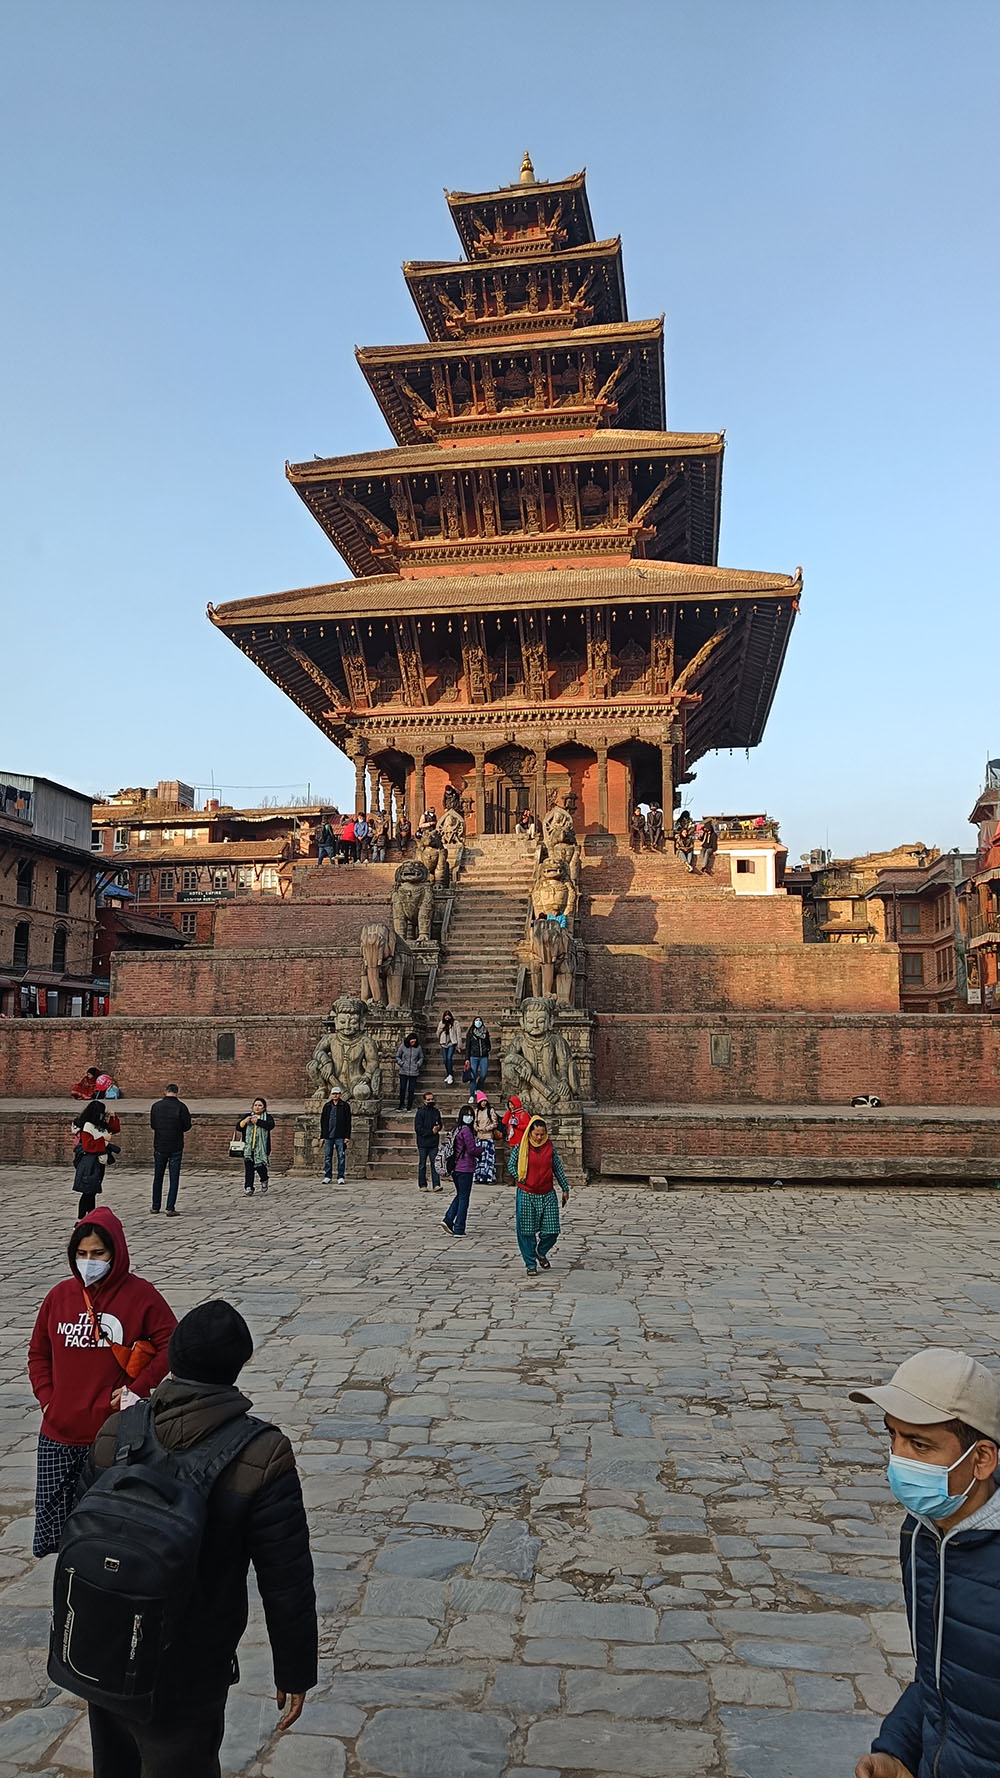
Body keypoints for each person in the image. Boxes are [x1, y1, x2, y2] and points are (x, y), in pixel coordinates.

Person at [81, 1300, 317, 1776]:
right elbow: (285, 1577)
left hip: (105, 1646)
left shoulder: (117, 1430)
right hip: (189, 1661)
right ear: (238, 1367)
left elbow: (81, 1531)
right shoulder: (262, 1453)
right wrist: (294, 1671)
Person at [851, 1349, 1000, 1778]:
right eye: (892, 1437)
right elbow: (940, 1675)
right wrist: (899, 1750)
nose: (898, 1459)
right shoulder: (922, 1534)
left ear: (981, 1459)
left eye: (920, 1444)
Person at [27, 1206, 175, 1558]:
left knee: (109, 1534)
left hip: (112, 1437)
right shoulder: (59, 1297)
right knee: (60, 1539)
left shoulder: (140, 1296)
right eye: (81, 1254)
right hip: (59, 1433)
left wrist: (138, 1388)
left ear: (115, 1253)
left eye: (97, 1253)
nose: (88, 1261)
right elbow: (38, 1354)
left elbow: (172, 1342)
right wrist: (48, 1398)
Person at [507, 1115, 571, 1278]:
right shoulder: (522, 1147)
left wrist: (565, 1188)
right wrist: (521, 1177)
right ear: (530, 1133)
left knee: (552, 1229)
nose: (539, 1137)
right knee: (526, 1231)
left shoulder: (550, 1147)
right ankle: (530, 1263)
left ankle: (540, 1251)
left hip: (547, 1192)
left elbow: (557, 1168)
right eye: (536, 1134)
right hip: (527, 1193)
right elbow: (511, 1165)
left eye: (542, 1134)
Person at [72, 1098, 122, 1217]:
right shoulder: (88, 1126)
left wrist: (112, 1116)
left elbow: (114, 1129)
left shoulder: (99, 1125)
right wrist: (103, 1140)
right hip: (89, 1163)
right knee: (88, 1192)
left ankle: (90, 1215)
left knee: (92, 1192)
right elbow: (88, 1146)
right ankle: (83, 1217)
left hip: (98, 1163)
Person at [149, 1082, 192, 1217]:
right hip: (176, 1145)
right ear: (177, 1092)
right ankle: (170, 1207)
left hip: (160, 1144)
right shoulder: (181, 1107)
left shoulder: (156, 1106)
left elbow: (153, 1125)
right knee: (174, 1178)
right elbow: (187, 1126)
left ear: (165, 1091)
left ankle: (155, 1206)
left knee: (158, 1176)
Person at [442, 1107, 477, 1237]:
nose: (469, 1117)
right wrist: (482, 1150)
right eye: (467, 1115)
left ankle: (448, 1219)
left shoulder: (456, 1129)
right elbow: (472, 1149)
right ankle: (459, 1227)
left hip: (455, 1168)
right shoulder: (466, 1130)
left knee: (460, 1195)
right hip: (465, 1168)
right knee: (464, 1198)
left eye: (471, 1115)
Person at [238, 1097, 274, 1196]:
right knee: (249, 1169)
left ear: (264, 1107)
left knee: (260, 1166)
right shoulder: (248, 1116)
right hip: (249, 1149)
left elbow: (270, 1125)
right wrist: (245, 1121)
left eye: (260, 1105)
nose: (257, 1107)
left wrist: (258, 1122)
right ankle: (248, 1187)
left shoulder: (267, 1117)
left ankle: (264, 1179)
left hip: (261, 1149)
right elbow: (239, 1127)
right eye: (255, 1105)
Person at [320, 1084, 351, 1184]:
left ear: (340, 1095)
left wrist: (347, 1136)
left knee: (341, 1157)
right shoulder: (327, 1106)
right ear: (331, 1095)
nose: (335, 1096)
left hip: (340, 1135)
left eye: (337, 1094)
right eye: (334, 1094)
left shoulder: (345, 1106)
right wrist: (322, 1136)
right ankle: (328, 1176)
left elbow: (348, 1122)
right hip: (328, 1135)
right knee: (328, 1157)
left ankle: (340, 1176)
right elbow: (323, 1122)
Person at [414, 1090, 442, 1192]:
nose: (431, 1101)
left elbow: (440, 1124)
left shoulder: (436, 1112)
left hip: (433, 1142)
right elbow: (418, 1128)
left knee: (435, 1163)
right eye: (428, 1099)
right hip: (423, 1142)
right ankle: (422, 1184)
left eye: (432, 1099)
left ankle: (436, 1184)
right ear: (424, 1101)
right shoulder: (420, 1112)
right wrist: (430, 1131)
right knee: (422, 1164)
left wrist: (438, 1128)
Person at [472, 1090, 501, 1183]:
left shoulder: (490, 1110)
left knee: (488, 1159)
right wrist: (476, 1128)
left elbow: (495, 1123)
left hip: (488, 1137)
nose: (484, 1103)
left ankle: (488, 1177)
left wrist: (487, 1128)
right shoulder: (476, 1111)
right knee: (479, 1159)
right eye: (482, 1101)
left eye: (485, 1101)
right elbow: (474, 1122)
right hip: (480, 1137)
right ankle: (478, 1177)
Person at [395, 1032, 424, 1111]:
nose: (413, 1043)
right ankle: (401, 1104)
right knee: (402, 1089)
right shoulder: (403, 1046)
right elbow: (397, 1056)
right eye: (411, 1042)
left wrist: (417, 1064)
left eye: (414, 1042)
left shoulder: (418, 1047)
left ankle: (409, 1106)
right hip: (403, 1071)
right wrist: (402, 1063)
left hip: (414, 1071)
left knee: (411, 1090)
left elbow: (421, 1057)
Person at [465, 1016, 491, 1097]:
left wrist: (488, 1048)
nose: (478, 1022)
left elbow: (488, 1042)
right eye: (476, 1020)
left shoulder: (485, 1032)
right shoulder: (471, 1033)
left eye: (479, 1020)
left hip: (483, 1056)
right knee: (473, 1075)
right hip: (474, 1056)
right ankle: (472, 1095)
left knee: (484, 1074)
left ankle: (478, 1087)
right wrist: (467, 1058)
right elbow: (468, 1046)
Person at [436, 1009, 463, 1085]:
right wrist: (441, 1028)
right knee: (445, 1060)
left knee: (449, 1058)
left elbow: (458, 1034)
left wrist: (459, 1046)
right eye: (445, 1016)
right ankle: (449, 1073)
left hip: (452, 1043)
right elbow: (437, 1034)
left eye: (448, 1015)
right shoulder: (441, 1023)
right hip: (443, 1043)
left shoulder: (455, 1023)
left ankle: (450, 1075)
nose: (447, 1017)